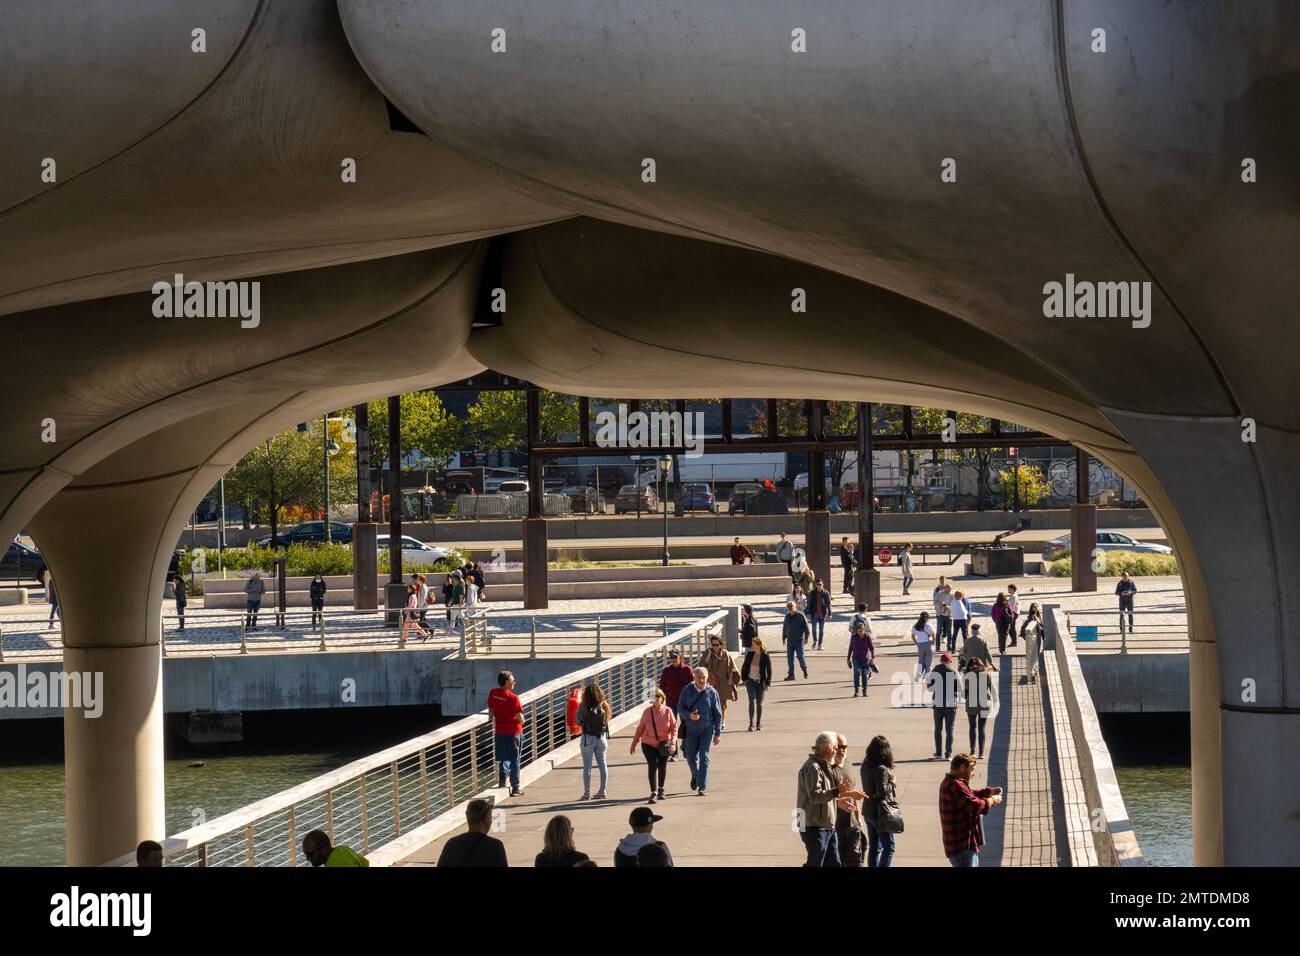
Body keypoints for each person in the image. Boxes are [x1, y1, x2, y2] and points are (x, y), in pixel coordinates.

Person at [797, 731, 862, 867]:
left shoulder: (824, 766)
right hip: (814, 826)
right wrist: (837, 790)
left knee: (834, 863)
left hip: (827, 824)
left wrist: (838, 801)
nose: (837, 751)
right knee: (816, 863)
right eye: (835, 748)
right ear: (827, 749)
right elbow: (815, 796)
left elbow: (825, 795)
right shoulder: (813, 768)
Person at [939, 754, 1003, 867]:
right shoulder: (955, 784)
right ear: (962, 767)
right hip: (962, 846)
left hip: (960, 845)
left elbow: (968, 795)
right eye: (971, 770)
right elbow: (974, 805)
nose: (973, 774)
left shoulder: (951, 782)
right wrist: (992, 800)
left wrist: (988, 792)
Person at [675, 667, 722, 795]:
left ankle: (702, 786)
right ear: (694, 678)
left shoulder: (712, 692)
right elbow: (680, 708)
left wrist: (717, 733)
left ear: (707, 678)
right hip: (691, 729)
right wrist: (689, 715)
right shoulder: (687, 690)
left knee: (704, 755)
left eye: (704, 678)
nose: (701, 680)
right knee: (690, 756)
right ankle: (695, 775)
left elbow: (718, 714)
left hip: (707, 729)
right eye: (699, 677)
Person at [630, 687, 677, 802]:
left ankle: (661, 790)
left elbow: (674, 728)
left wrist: (673, 743)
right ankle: (653, 792)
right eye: (653, 697)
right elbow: (640, 729)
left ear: (662, 698)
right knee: (652, 766)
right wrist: (634, 743)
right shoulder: (647, 712)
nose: (655, 699)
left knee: (662, 765)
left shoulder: (668, 711)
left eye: (657, 697)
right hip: (648, 743)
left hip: (664, 743)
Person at [861, 735, 899, 868]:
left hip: (868, 810)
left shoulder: (865, 765)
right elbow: (882, 792)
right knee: (889, 847)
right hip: (880, 813)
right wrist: (892, 783)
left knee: (875, 847)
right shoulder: (881, 769)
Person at [437, 799, 508, 867]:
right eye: (490, 817)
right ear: (486, 819)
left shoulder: (452, 844)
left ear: (468, 818)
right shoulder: (495, 846)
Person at [487, 671, 525, 796]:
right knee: (515, 760)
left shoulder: (493, 693)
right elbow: (520, 717)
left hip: (500, 731)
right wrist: (523, 721)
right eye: (513, 681)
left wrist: (490, 718)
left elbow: (491, 708)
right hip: (514, 732)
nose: (515, 683)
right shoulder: (514, 698)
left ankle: (502, 778)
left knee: (504, 756)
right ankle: (515, 788)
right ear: (507, 683)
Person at [832, 733, 866, 866]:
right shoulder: (829, 769)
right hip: (836, 824)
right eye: (838, 746)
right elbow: (824, 795)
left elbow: (854, 794)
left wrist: (858, 818)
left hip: (852, 824)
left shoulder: (849, 765)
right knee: (837, 862)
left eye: (844, 746)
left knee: (856, 861)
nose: (841, 750)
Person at [575, 682, 612, 800]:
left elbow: (577, 721)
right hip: (601, 738)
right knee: (603, 764)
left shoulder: (582, 706)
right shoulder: (604, 705)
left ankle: (586, 793)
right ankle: (602, 791)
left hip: (587, 738)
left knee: (587, 766)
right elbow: (607, 719)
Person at [658, 649, 695, 761]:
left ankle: (684, 746)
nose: (673, 659)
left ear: (680, 657)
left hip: (685, 703)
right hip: (671, 702)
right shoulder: (667, 670)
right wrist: (662, 700)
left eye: (675, 657)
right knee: (671, 727)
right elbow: (662, 686)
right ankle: (674, 753)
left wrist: (692, 701)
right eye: (671, 658)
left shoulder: (687, 669)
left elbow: (693, 686)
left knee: (686, 725)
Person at [699, 633, 740, 729]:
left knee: (723, 704)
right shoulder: (707, 653)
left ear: (721, 645)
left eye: (717, 645)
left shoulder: (726, 654)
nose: (715, 647)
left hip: (723, 683)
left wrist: (732, 680)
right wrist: (708, 657)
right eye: (713, 645)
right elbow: (701, 667)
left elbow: (733, 668)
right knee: (710, 704)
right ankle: (713, 722)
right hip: (710, 683)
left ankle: (722, 721)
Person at [926, 652, 960, 759]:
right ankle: (948, 754)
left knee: (938, 729)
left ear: (941, 661)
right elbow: (960, 688)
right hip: (951, 704)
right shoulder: (954, 672)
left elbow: (929, 687)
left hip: (938, 703)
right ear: (949, 662)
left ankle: (938, 752)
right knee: (950, 729)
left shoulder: (935, 671)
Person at [962, 659, 998, 758]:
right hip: (984, 703)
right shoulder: (986, 673)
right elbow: (993, 689)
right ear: (981, 664)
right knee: (982, 728)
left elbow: (964, 690)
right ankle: (981, 753)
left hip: (971, 703)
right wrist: (995, 701)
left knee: (972, 727)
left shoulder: (968, 675)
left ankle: (972, 751)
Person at [740, 635, 772, 730]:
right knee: (751, 701)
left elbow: (769, 670)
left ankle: (758, 724)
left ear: (759, 645)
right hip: (750, 681)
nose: (752, 646)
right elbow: (744, 667)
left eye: (754, 644)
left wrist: (767, 683)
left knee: (759, 703)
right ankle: (751, 724)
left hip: (760, 683)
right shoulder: (750, 654)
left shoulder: (765, 656)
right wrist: (744, 679)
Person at [302, 829, 369, 867]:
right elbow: (365, 862)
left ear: (324, 849)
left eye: (310, 854)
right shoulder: (342, 849)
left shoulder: (336, 864)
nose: (307, 858)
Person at [781, 599, 810, 680]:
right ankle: (791, 675)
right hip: (790, 641)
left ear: (795, 607)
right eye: (788, 606)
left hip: (799, 640)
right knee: (790, 658)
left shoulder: (800, 615)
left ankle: (804, 670)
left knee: (800, 657)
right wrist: (783, 638)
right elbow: (784, 627)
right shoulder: (787, 616)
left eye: (791, 606)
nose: (790, 608)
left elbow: (806, 627)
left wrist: (807, 637)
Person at [846, 618, 875, 697]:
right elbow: (850, 648)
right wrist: (848, 658)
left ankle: (864, 691)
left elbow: (871, 647)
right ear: (856, 631)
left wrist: (873, 656)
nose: (861, 633)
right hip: (856, 658)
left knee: (864, 675)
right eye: (859, 631)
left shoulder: (867, 637)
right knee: (856, 672)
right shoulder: (854, 637)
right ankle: (856, 691)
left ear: (864, 629)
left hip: (865, 659)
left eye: (862, 631)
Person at [1020, 603, 1045, 684]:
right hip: (1035, 638)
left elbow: (1041, 627)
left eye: (1037, 606)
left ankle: (1034, 671)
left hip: (1037, 637)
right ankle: (1032, 673)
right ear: (1031, 608)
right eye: (1034, 607)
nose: (1036, 607)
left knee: (1036, 654)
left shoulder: (1038, 616)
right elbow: (1033, 627)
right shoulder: (1033, 617)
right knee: (1034, 654)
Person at [807, 578, 832, 650]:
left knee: (821, 630)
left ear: (822, 584)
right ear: (816, 585)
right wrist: (807, 613)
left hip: (822, 614)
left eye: (820, 584)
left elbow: (829, 604)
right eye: (818, 584)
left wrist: (830, 613)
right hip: (814, 614)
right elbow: (809, 604)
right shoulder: (812, 593)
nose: (819, 586)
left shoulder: (826, 593)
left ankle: (820, 644)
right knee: (814, 629)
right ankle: (815, 641)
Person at [912, 611, 935, 680]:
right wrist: (933, 642)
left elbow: (913, 636)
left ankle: (918, 675)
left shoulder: (915, 626)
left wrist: (916, 643)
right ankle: (927, 676)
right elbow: (933, 635)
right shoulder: (929, 626)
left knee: (920, 661)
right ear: (927, 618)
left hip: (920, 645)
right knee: (928, 662)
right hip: (928, 644)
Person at [934, 578, 953, 650]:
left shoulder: (952, 595)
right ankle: (937, 647)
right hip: (940, 615)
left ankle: (949, 646)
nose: (949, 591)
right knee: (938, 631)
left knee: (949, 632)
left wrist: (948, 607)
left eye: (950, 590)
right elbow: (935, 602)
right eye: (948, 589)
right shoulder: (939, 594)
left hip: (948, 615)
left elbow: (954, 605)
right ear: (945, 588)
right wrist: (940, 604)